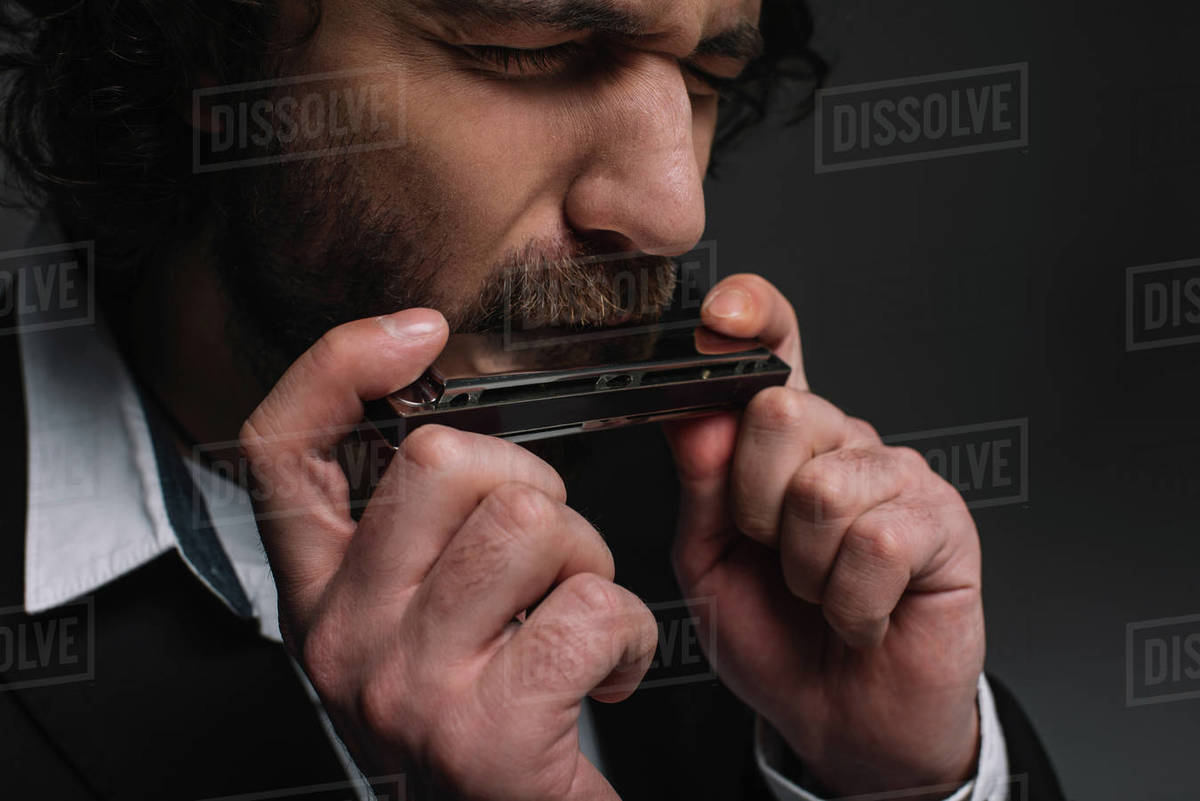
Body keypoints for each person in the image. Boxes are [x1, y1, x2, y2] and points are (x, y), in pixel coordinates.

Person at [0, 0, 1064, 798]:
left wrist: (897, 781)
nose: (671, 210)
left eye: (705, 79)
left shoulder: (722, 548)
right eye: (531, 50)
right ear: (196, 45)